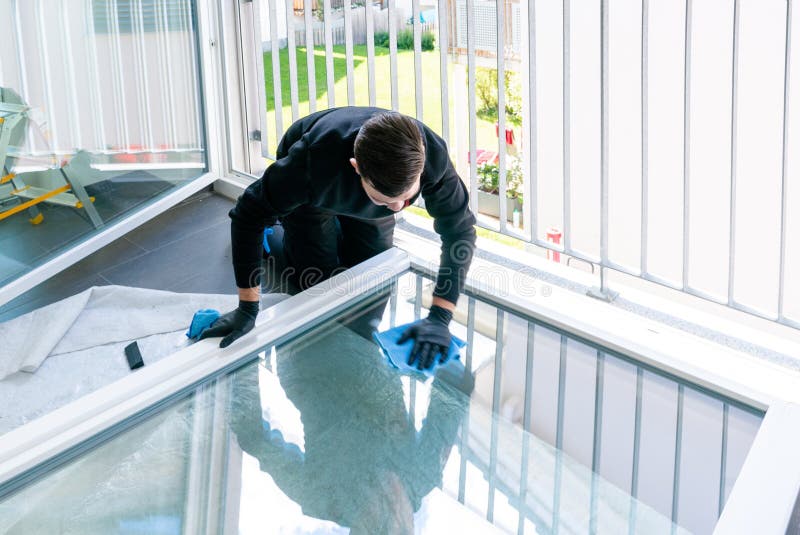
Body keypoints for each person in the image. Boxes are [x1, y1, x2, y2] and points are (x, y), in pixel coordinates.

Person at [200, 107, 476, 369]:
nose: (397, 209)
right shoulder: (309, 164)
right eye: (386, 199)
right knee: (316, 281)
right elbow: (248, 216)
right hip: (313, 190)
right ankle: (274, 240)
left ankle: (351, 217)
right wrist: (248, 308)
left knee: (372, 276)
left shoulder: (431, 156)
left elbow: (460, 231)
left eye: (406, 198)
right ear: (356, 167)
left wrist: (440, 316)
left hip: (364, 180)